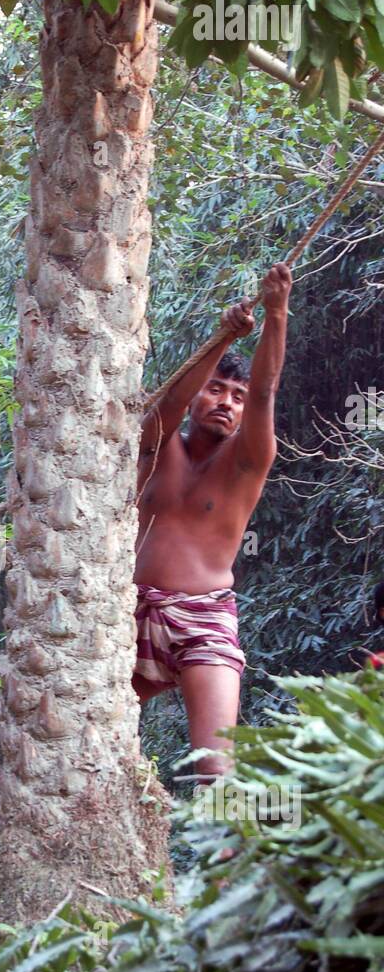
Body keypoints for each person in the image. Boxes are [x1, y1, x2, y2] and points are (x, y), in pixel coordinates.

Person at [134, 263, 293, 781]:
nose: (226, 402)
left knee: (216, 767)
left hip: (205, 618)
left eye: (236, 397)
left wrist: (275, 311)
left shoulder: (249, 461)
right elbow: (169, 404)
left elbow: (266, 392)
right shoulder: (156, 446)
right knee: (84, 733)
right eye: (217, 389)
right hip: (128, 613)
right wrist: (220, 341)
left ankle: (230, 857)